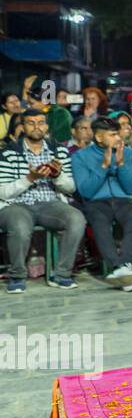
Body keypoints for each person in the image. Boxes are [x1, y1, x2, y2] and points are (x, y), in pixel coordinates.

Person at [0, 109, 84, 292]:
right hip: (16, 204)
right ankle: (17, 276)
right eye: (31, 123)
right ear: (22, 127)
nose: (37, 127)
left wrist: (57, 175)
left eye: (40, 122)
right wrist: (29, 178)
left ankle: (61, 274)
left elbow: (71, 188)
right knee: (20, 226)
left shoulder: (59, 150)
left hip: (50, 204)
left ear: (46, 126)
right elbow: (3, 192)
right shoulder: (8, 152)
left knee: (76, 218)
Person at [71, 117, 132, 291]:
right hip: (96, 201)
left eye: (118, 134)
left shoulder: (127, 153)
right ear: (99, 137)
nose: (118, 139)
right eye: (113, 135)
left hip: (123, 199)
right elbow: (85, 191)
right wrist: (104, 167)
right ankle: (119, 267)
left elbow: (130, 188)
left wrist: (121, 165)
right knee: (100, 223)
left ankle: (123, 265)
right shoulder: (81, 156)